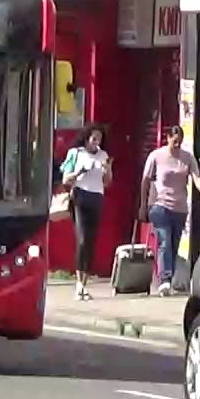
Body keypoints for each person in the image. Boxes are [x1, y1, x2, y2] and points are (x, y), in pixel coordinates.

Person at [140, 126, 200, 297]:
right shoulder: (156, 156)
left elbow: (196, 177)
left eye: (180, 142)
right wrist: (143, 205)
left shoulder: (187, 158)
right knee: (165, 241)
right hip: (159, 205)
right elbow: (145, 181)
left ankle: (167, 279)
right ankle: (164, 280)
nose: (177, 145)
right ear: (168, 138)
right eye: (174, 141)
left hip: (180, 208)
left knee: (174, 244)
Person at [61, 125, 112, 301]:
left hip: (96, 197)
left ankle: (84, 283)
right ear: (86, 138)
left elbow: (107, 182)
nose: (96, 142)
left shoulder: (103, 155)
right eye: (94, 138)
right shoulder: (76, 153)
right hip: (80, 197)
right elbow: (65, 179)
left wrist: (108, 170)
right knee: (82, 240)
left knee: (91, 241)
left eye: (99, 139)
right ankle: (78, 284)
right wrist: (79, 171)